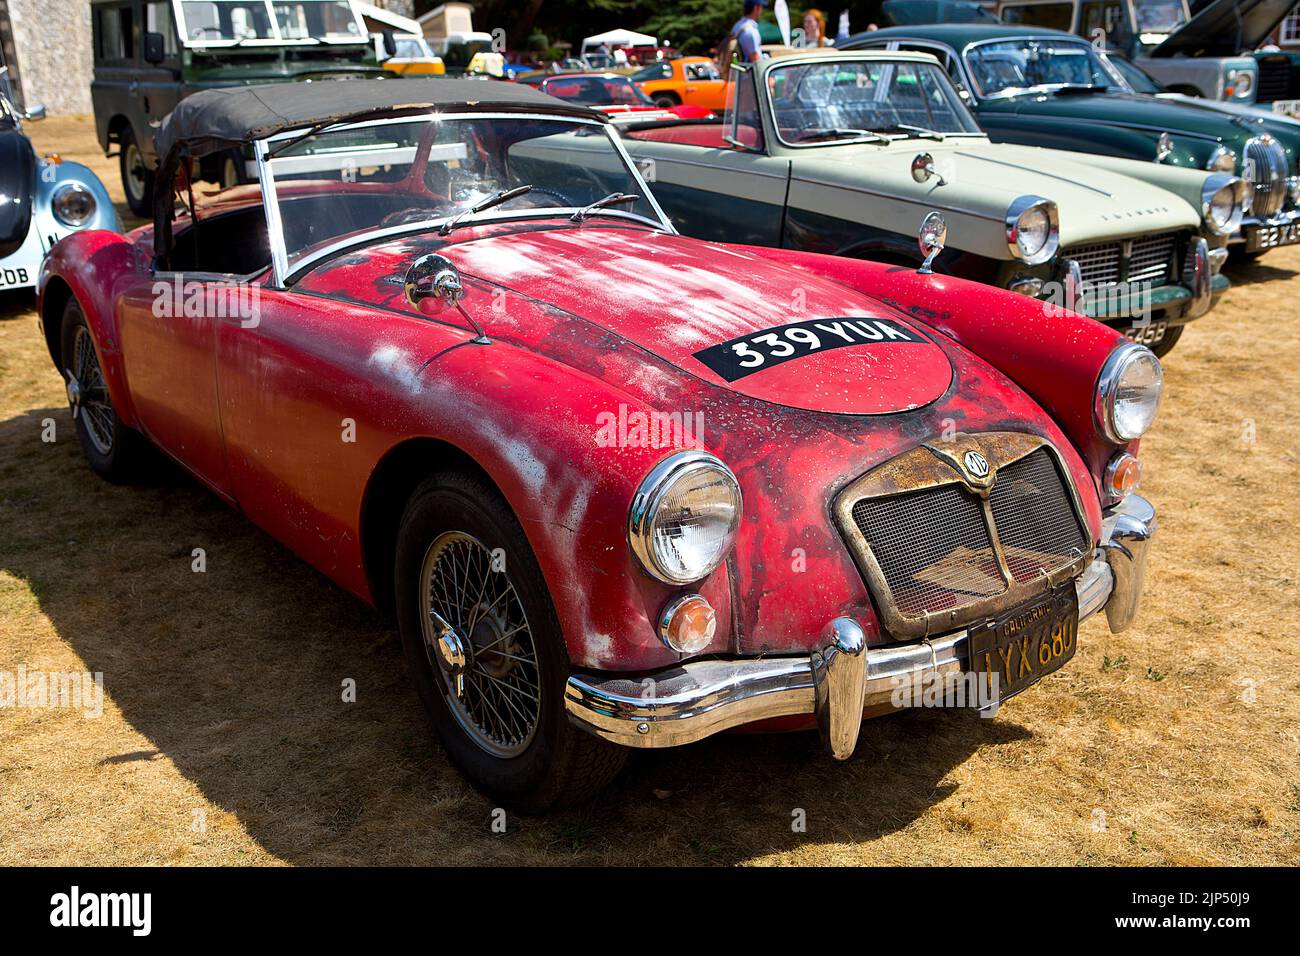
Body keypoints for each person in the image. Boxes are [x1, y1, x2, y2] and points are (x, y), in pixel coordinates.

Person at [731, 0, 765, 64]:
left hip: (738, 71)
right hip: (749, 73)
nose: (761, 11)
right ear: (755, 8)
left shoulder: (737, 26)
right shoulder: (750, 31)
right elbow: (755, 58)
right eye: (761, 7)